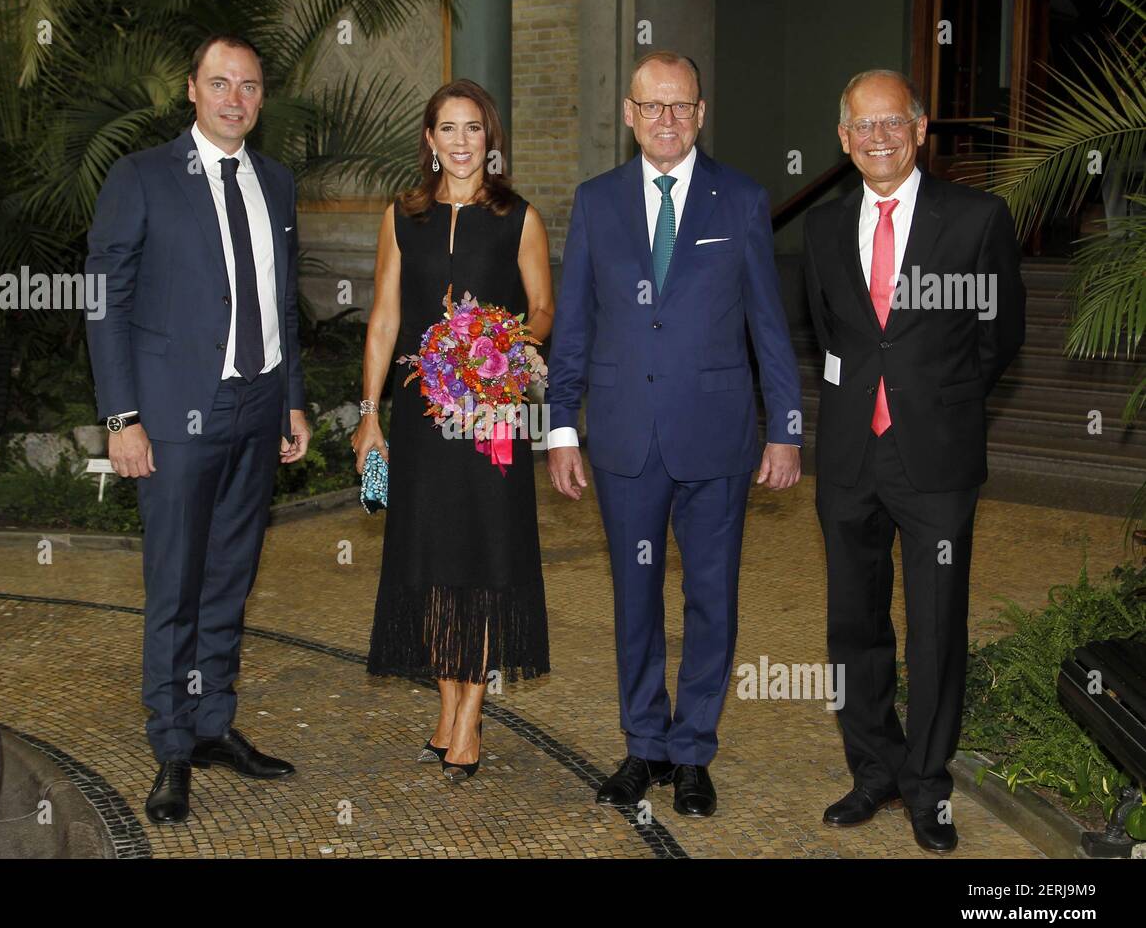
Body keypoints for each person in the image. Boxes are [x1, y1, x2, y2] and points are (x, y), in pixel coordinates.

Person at [547, 51, 803, 817]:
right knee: (634, 597)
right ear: (628, 114)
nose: (667, 120)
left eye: (681, 107)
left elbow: (769, 323)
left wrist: (785, 428)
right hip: (623, 437)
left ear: (700, 113)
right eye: (652, 107)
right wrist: (561, 427)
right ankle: (644, 745)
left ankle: (693, 751)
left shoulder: (744, 199)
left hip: (718, 438)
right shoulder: (595, 202)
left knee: (712, 598)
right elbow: (575, 325)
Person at [85, 34, 309, 824]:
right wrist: (122, 418)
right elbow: (105, 300)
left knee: (229, 580)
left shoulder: (276, 183)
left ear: (260, 97)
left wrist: (294, 400)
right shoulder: (142, 176)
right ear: (191, 90)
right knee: (174, 584)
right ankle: (172, 744)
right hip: (175, 417)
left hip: (257, 410)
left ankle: (215, 723)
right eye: (220, 83)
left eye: (248, 86)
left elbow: (282, 302)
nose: (234, 98)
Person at [803, 69, 1025, 852]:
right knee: (853, 625)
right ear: (843, 139)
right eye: (862, 126)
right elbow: (831, 336)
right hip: (850, 460)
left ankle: (929, 785)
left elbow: (1000, 339)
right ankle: (874, 770)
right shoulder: (825, 231)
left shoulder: (976, 219)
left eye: (892, 121)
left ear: (921, 128)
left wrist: (936, 399)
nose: (878, 137)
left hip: (937, 458)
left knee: (935, 628)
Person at [353, 79, 554, 782]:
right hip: (420, 423)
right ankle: (448, 705)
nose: (462, 141)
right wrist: (368, 414)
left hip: (491, 422)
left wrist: (504, 354)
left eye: (474, 128)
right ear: (431, 140)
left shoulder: (517, 218)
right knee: (432, 563)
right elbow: (383, 318)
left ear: (489, 140)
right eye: (449, 128)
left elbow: (542, 308)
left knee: (484, 562)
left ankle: (470, 718)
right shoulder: (401, 217)